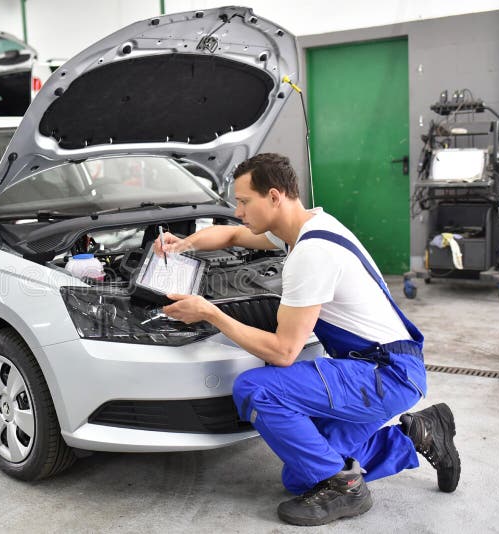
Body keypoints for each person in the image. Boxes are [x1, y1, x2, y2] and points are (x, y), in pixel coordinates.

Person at [157, 153, 460, 526]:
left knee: (258, 388)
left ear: (273, 196)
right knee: (299, 476)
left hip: (385, 372)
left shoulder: (311, 253)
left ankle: (346, 490)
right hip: (379, 366)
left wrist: (211, 314)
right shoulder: (306, 224)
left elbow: (285, 352)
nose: (238, 211)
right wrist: (183, 245)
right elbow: (233, 235)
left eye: (243, 201)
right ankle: (423, 434)